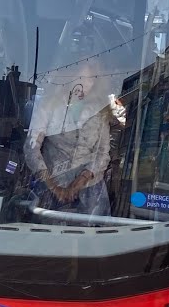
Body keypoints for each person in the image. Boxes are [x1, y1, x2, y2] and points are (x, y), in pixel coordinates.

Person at [25, 59, 112, 217]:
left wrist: (82, 180)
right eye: (80, 78)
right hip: (50, 190)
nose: (85, 84)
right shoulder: (49, 105)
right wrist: (53, 186)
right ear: (69, 78)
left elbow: (103, 152)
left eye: (90, 79)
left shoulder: (100, 110)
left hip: (92, 194)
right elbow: (31, 147)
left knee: (91, 232)